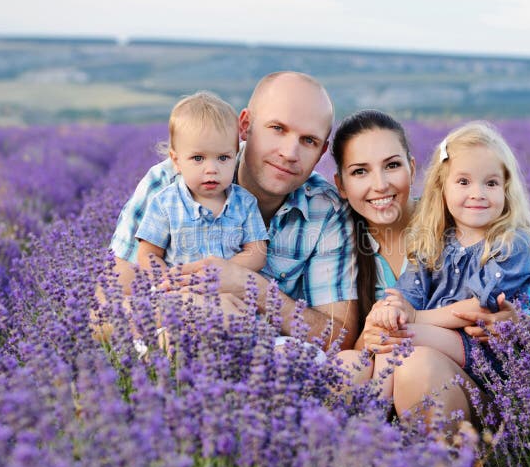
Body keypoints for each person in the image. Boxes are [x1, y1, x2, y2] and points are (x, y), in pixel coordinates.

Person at [110, 72, 358, 349]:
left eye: (308, 140)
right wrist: (191, 309)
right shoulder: (168, 184)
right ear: (245, 125)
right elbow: (104, 311)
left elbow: (340, 337)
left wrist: (251, 288)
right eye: (277, 128)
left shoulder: (326, 211)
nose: (289, 152)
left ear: (322, 152)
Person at [331, 111, 527, 430]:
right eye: (360, 172)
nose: (379, 184)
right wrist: (387, 315)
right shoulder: (428, 240)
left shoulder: (500, 240)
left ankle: (379, 427)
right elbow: (407, 292)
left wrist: (522, 318)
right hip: (409, 360)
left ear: (412, 167)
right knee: (348, 362)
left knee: (410, 349)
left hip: (474, 363)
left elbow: (504, 303)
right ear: (341, 184)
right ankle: (369, 429)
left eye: (392, 165)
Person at [366, 120, 530, 399]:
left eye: (491, 183)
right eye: (463, 181)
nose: (478, 193)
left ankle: (373, 412)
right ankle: (375, 411)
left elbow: (481, 308)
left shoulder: (510, 243)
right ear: (442, 188)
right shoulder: (433, 242)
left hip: (485, 352)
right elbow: (407, 294)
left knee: (403, 335)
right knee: (393, 333)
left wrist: (415, 317)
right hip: (438, 345)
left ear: (506, 190)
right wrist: (390, 310)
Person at [135, 92, 268, 282]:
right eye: (198, 158)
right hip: (180, 294)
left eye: (223, 158)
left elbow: (257, 254)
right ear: (176, 161)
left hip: (229, 290)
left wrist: (218, 272)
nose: (212, 169)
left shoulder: (245, 203)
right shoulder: (165, 203)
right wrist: (167, 279)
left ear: (236, 156)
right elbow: (148, 254)